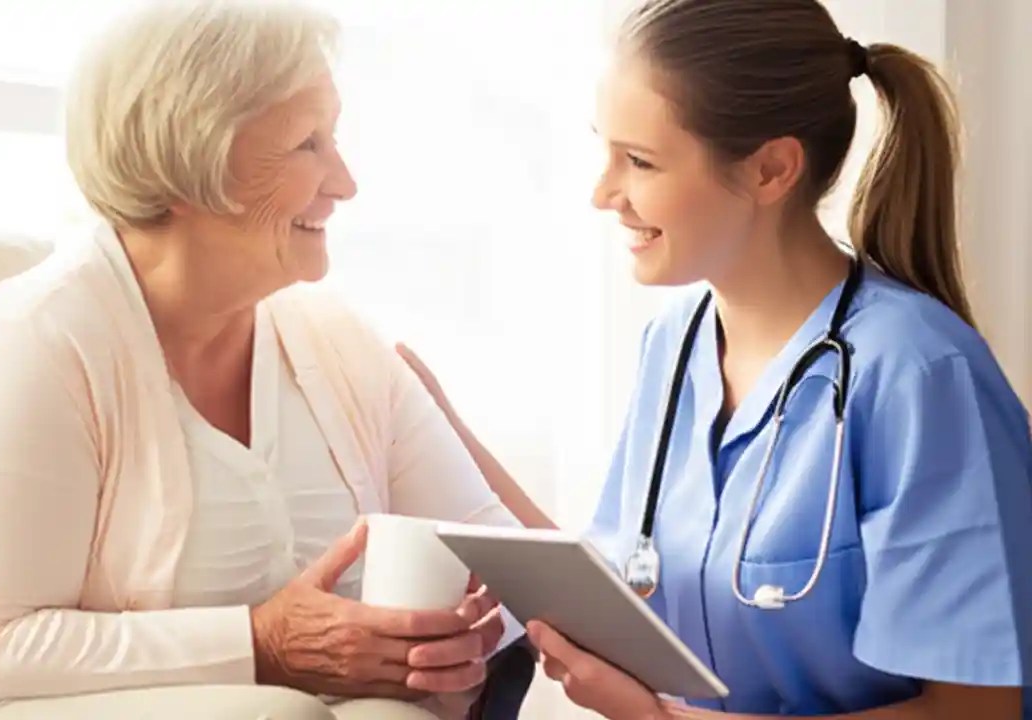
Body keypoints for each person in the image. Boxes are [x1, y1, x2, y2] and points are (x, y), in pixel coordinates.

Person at [0, 2, 525, 719]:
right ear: (190, 155)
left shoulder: (341, 348)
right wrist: (258, 643)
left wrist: (458, 644)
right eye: (309, 143)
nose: (344, 182)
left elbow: (512, 572)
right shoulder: (36, 341)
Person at [399, 0, 1032, 717]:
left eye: (638, 161)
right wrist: (441, 425)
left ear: (770, 170)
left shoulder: (918, 377)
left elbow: (976, 710)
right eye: (605, 151)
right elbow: (612, 589)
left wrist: (662, 718)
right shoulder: (674, 346)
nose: (603, 192)